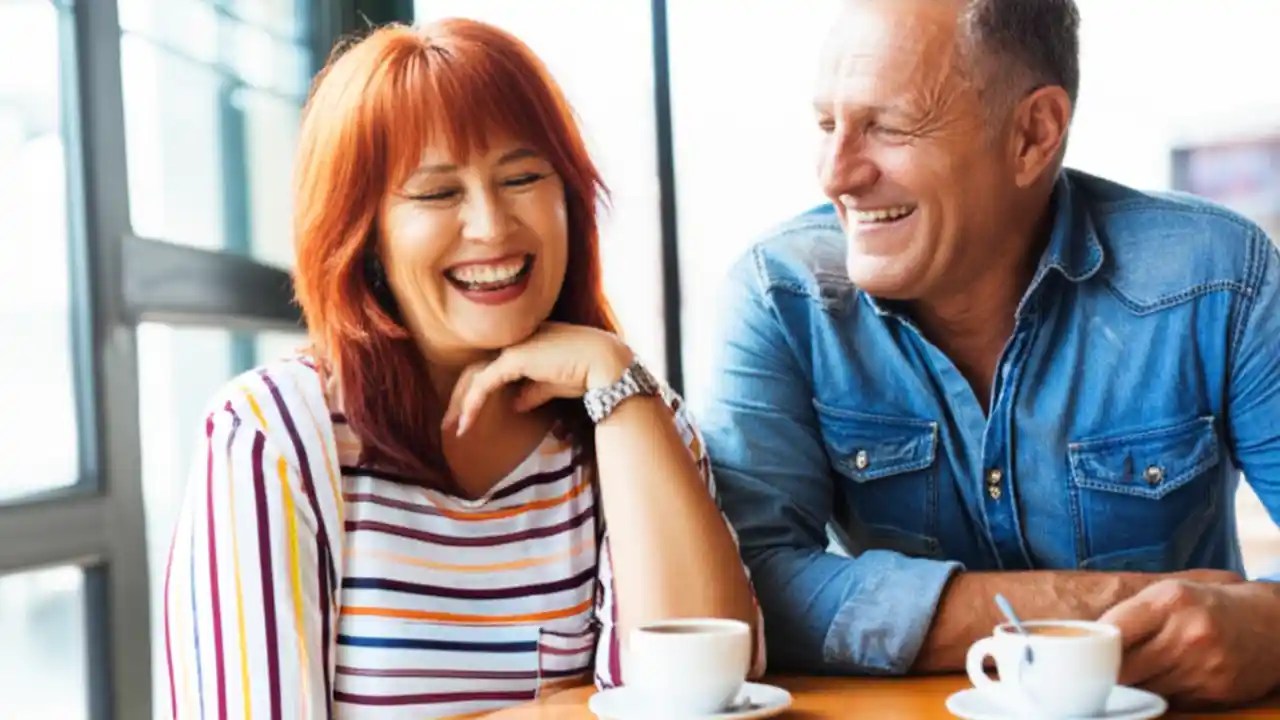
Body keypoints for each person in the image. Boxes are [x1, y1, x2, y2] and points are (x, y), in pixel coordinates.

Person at [162, 20, 760, 719]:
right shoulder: (271, 437)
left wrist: (615, 381)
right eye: (438, 193)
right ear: (364, 234)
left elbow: (703, 697)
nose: (492, 226)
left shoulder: (630, 414)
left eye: (522, 178)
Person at [701, 0, 1280, 709]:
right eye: (827, 125)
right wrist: (1095, 604)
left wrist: (1271, 628)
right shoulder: (779, 296)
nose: (835, 174)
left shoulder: (1219, 277)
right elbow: (747, 590)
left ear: (1033, 134)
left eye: (888, 126)